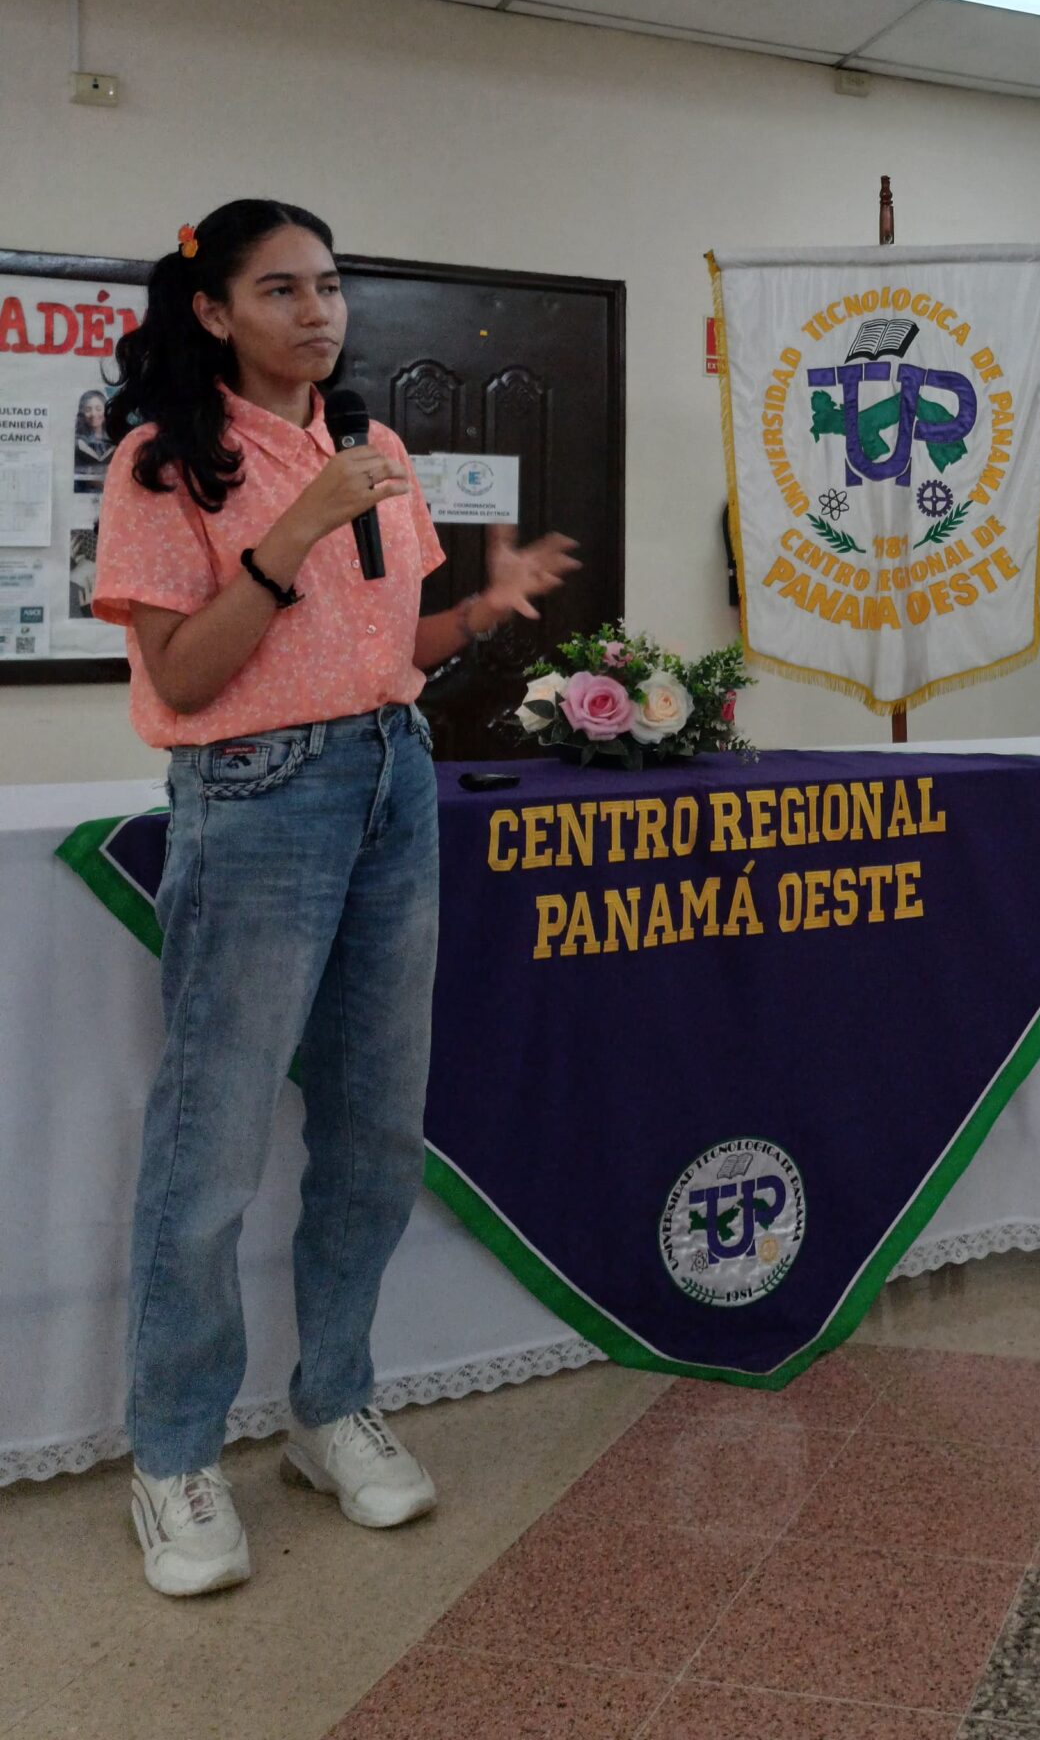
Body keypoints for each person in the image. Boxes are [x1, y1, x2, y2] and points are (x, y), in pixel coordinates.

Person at [92, 200, 579, 1600]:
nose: (319, 313)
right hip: (255, 794)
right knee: (214, 1138)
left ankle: (332, 1407)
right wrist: (295, 526)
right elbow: (188, 676)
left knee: (375, 1123)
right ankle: (174, 1455)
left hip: (390, 778)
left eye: (330, 287)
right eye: (281, 289)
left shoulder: (373, 447)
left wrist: (480, 612)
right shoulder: (162, 461)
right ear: (212, 311)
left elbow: (383, 640)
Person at [74, 386, 113, 492]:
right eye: (88, 409)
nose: (94, 414)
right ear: (82, 413)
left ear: (106, 411)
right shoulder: (77, 444)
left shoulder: (115, 441)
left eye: (98, 409)